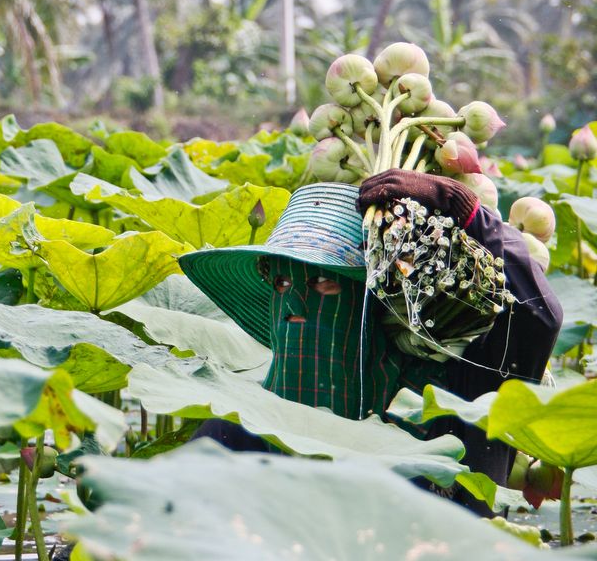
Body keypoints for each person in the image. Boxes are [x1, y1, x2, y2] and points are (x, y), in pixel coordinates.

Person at [178, 170, 563, 516]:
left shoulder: (454, 396)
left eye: (323, 284)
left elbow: (537, 317)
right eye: (281, 284)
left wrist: (468, 212)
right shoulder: (242, 422)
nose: (294, 307)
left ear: (379, 302)